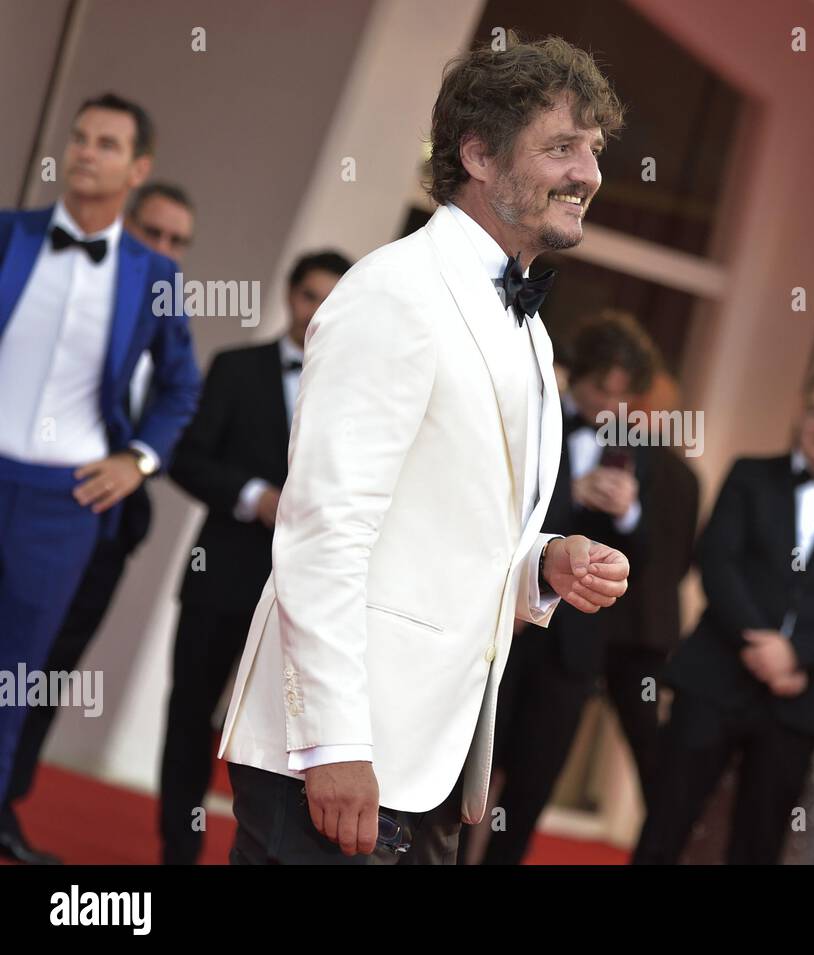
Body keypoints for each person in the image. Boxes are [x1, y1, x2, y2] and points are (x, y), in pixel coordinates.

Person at [217, 32, 630, 865]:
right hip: (342, 756)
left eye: (594, 149)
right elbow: (322, 530)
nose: (587, 172)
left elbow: (448, 531)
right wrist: (335, 745)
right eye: (561, 146)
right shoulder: (395, 293)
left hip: (432, 760)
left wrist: (542, 561)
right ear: (476, 153)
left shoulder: (531, 333)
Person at [0, 93, 201, 812]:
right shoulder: (8, 235)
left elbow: (182, 387)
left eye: (106, 144)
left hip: (66, 501)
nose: (85, 151)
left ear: (137, 167)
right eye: (79, 137)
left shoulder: (154, 276)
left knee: (14, 678)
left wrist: (138, 460)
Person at [633, 369, 814, 865]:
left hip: (802, 694)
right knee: (667, 819)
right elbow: (717, 562)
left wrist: (795, 655)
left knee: (760, 840)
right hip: (715, 674)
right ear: (801, 410)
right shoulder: (749, 474)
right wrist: (760, 644)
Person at [474, 310, 699, 865]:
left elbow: (652, 561)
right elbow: (489, 510)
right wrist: (573, 491)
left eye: (625, 396)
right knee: (466, 772)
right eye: (602, 389)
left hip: (574, 649)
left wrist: (628, 516)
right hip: (502, 627)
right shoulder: (531, 418)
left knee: (532, 784)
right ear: (574, 374)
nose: (610, 407)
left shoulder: (641, 453)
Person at [159, 250, 352, 864]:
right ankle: (178, 853)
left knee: (285, 740)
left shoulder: (357, 393)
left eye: (330, 299)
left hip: (307, 598)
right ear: (289, 297)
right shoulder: (236, 368)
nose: (316, 310)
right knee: (190, 714)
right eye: (308, 296)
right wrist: (252, 496)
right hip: (221, 578)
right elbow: (186, 457)